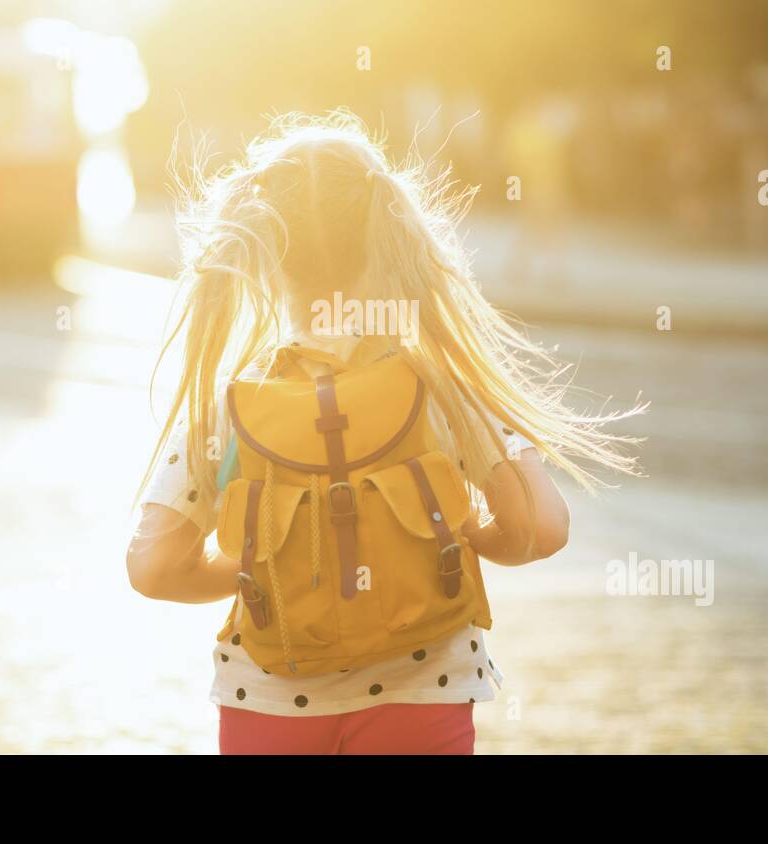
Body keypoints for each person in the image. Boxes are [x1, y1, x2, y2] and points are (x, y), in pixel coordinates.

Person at [126, 110, 640, 754]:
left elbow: (153, 569)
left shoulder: (231, 402)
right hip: (421, 691)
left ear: (264, 252)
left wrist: (263, 563)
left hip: (272, 698)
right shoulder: (445, 385)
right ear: (387, 233)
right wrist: (470, 532)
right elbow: (540, 526)